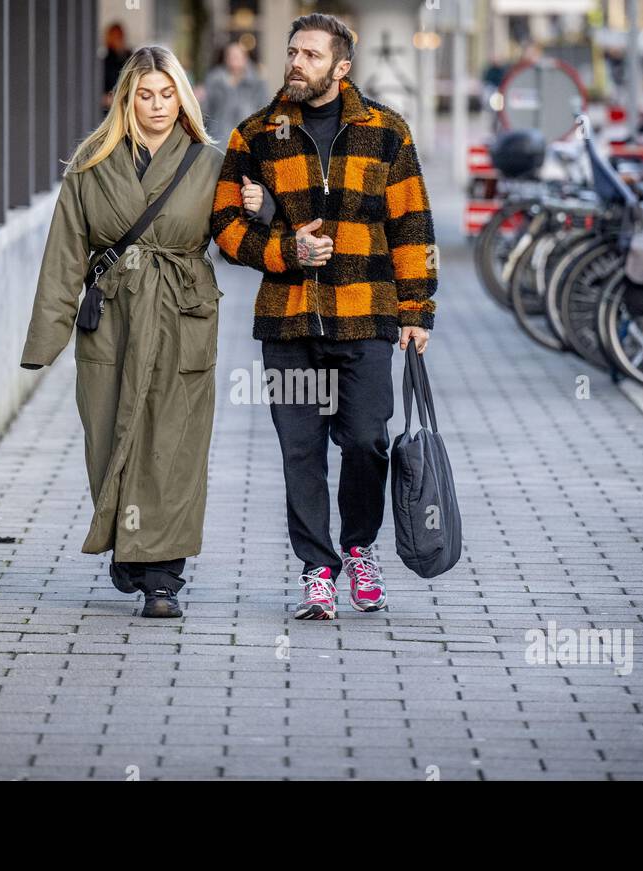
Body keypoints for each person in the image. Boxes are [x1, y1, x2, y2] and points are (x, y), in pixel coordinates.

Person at [211, 13, 438, 620]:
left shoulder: (387, 132)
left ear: (341, 67)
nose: (296, 63)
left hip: (366, 319)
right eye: (292, 52)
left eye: (310, 55)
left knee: (367, 441)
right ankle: (318, 568)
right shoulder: (256, 134)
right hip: (288, 324)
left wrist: (417, 309)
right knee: (300, 451)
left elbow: (412, 223)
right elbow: (225, 227)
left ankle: (359, 547)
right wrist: (286, 251)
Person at [20, 46, 225, 618]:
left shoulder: (210, 162)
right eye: (145, 94)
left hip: (182, 317)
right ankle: (129, 548)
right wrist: (46, 338)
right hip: (111, 318)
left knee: (173, 444)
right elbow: (65, 254)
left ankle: (162, 575)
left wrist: (260, 210)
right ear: (125, 99)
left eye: (167, 94)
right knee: (109, 434)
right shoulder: (91, 163)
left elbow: (236, 238)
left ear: (181, 97)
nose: (157, 106)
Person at [200, 42, 272, 143]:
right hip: (219, 138)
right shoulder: (214, 79)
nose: (234, 58)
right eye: (230, 55)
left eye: (237, 55)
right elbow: (206, 109)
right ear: (225, 58)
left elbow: (265, 108)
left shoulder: (257, 80)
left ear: (245, 58)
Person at [101, 22, 132, 115]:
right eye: (115, 37)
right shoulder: (105, 62)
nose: (118, 40)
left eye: (120, 36)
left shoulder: (129, 57)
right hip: (111, 109)